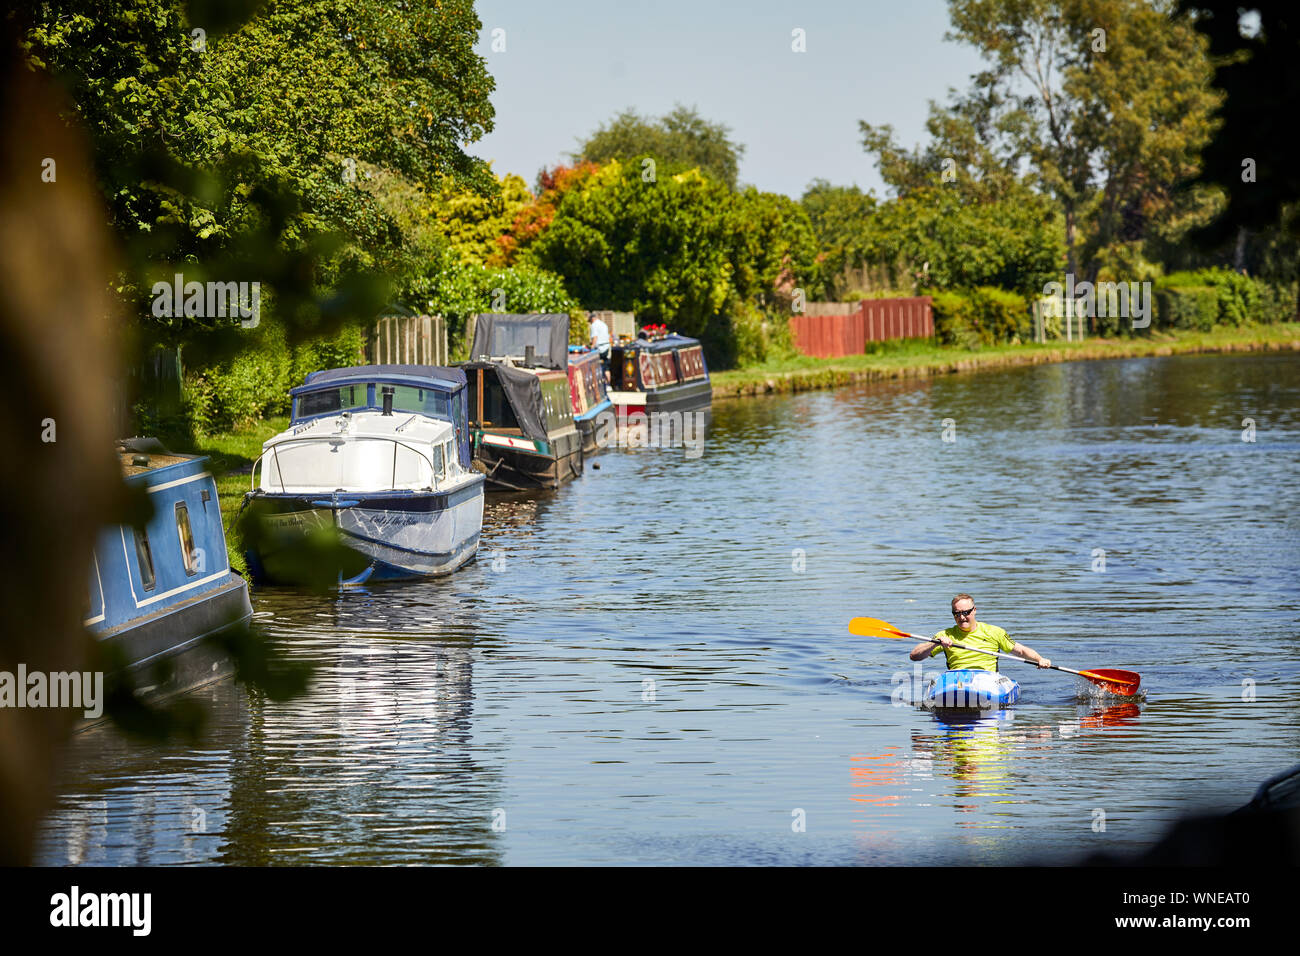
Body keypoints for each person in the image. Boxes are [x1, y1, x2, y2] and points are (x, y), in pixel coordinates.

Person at [909, 593, 1051, 672]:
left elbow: (1020, 651)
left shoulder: (994, 632)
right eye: (957, 613)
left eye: (966, 612)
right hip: (956, 680)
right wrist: (935, 644)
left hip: (987, 680)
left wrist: (1039, 659)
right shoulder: (945, 635)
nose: (962, 617)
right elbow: (914, 656)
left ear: (974, 610)